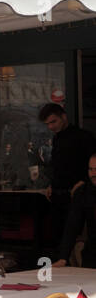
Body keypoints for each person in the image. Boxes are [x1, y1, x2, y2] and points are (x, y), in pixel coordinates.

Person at [39, 102, 96, 246]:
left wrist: (83, 181)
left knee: (75, 238)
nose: (51, 126)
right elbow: (59, 166)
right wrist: (52, 185)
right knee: (58, 239)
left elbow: (92, 164)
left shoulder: (84, 137)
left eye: (53, 121)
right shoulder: (56, 138)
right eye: (47, 124)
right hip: (58, 195)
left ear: (63, 117)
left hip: (77, 195)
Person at [55, 152, 96, 266]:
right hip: (92, 255)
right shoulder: (83, 192)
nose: (93, 174)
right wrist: (63, 257)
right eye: (90, 169)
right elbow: (72, 225)